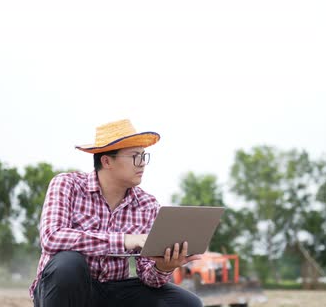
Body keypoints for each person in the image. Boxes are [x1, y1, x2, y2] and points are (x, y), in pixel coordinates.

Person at [30, 119, 203, 307]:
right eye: (135, 156)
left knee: (186, 302)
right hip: (66, 290)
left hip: (114, 291)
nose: (142, 163)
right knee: (68, 263)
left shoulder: (147, 204)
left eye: (144, 156)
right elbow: (51, 237)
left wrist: (163, 267)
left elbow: (149, 277)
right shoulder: (67, 184)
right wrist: (124, 240)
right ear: (106, 161)